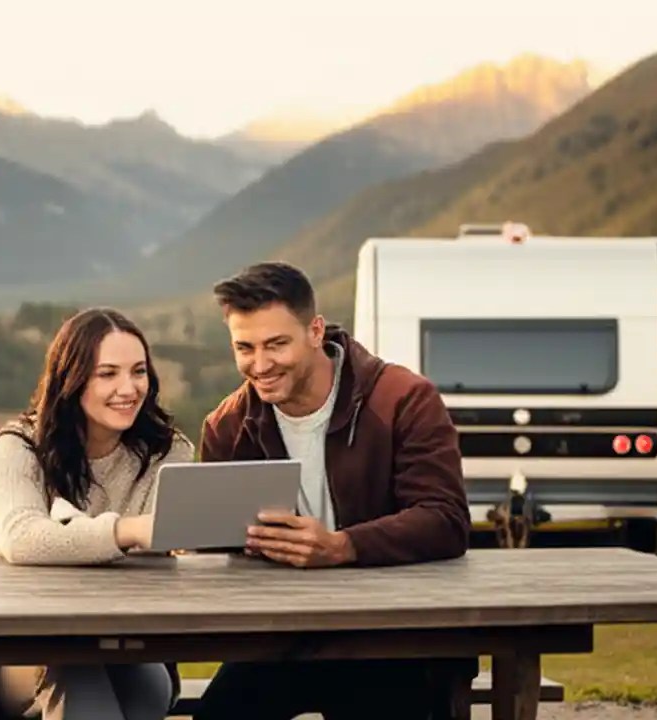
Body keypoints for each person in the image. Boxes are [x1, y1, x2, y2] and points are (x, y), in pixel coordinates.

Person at [192, 262, 474, 720]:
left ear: (315, 330)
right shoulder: (227, 426)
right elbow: (220, 547)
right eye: (244, 347)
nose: (259, 365)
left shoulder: (403, 399)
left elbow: (445, 519)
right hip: (280, 638)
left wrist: (343, 546)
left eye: (276, 344)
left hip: (393, 637)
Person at [0, 307, 195, 720]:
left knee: (145, 700)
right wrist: (129, 531)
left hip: (130, 644)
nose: (128, 388)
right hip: (24, 645)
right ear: (71, 379)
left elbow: (162, 558)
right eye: (107, 373)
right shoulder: (17, 447)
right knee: (79, 680)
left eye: (138, 371)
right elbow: (22, 538)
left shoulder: (168, 451)